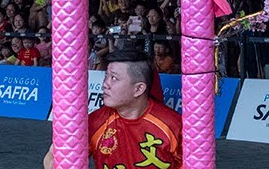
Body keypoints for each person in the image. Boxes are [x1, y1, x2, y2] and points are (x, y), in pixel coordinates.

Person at [44, 49, 181, 169]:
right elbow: (55, 163)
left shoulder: (173, 125)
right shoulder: (95, 122)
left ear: (139, 89)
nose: (105, 84)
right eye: (106, 76)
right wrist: (59, 148)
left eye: (114, 78)